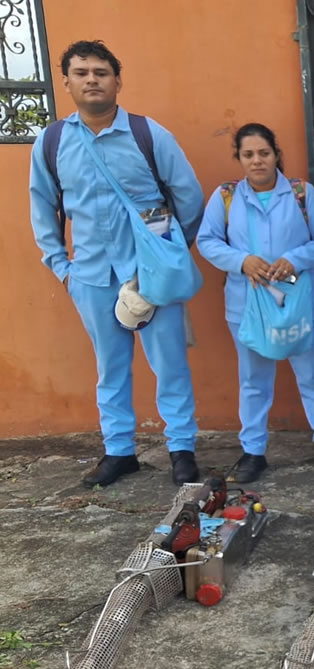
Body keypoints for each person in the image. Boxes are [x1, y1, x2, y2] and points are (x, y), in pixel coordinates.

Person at [29, 40, 204, 487]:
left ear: (117, 81)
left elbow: (188, 196)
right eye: (82, 72)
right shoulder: (52, 142)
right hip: (89, 275)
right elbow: (43, 206)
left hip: (149, 275)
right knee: (109, 368)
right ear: (66, 81)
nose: (92, 79)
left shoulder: (149, 135)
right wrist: (62, 268)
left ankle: (181, 449)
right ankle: (119, 451)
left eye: (101, 72)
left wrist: (171, 254)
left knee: (169, 365)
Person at [196, 123, 314, 483]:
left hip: (302, 303)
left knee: (313, 376)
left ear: (276, 154)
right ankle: (253, 451)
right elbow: (207, 241)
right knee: (253, 379)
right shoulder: (227, 197)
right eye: (248, 155)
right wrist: (241, 261)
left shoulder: (301, 195)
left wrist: (295, 258)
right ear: (239, 159)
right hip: (248, 306)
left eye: (264, 153)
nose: (257, 161)